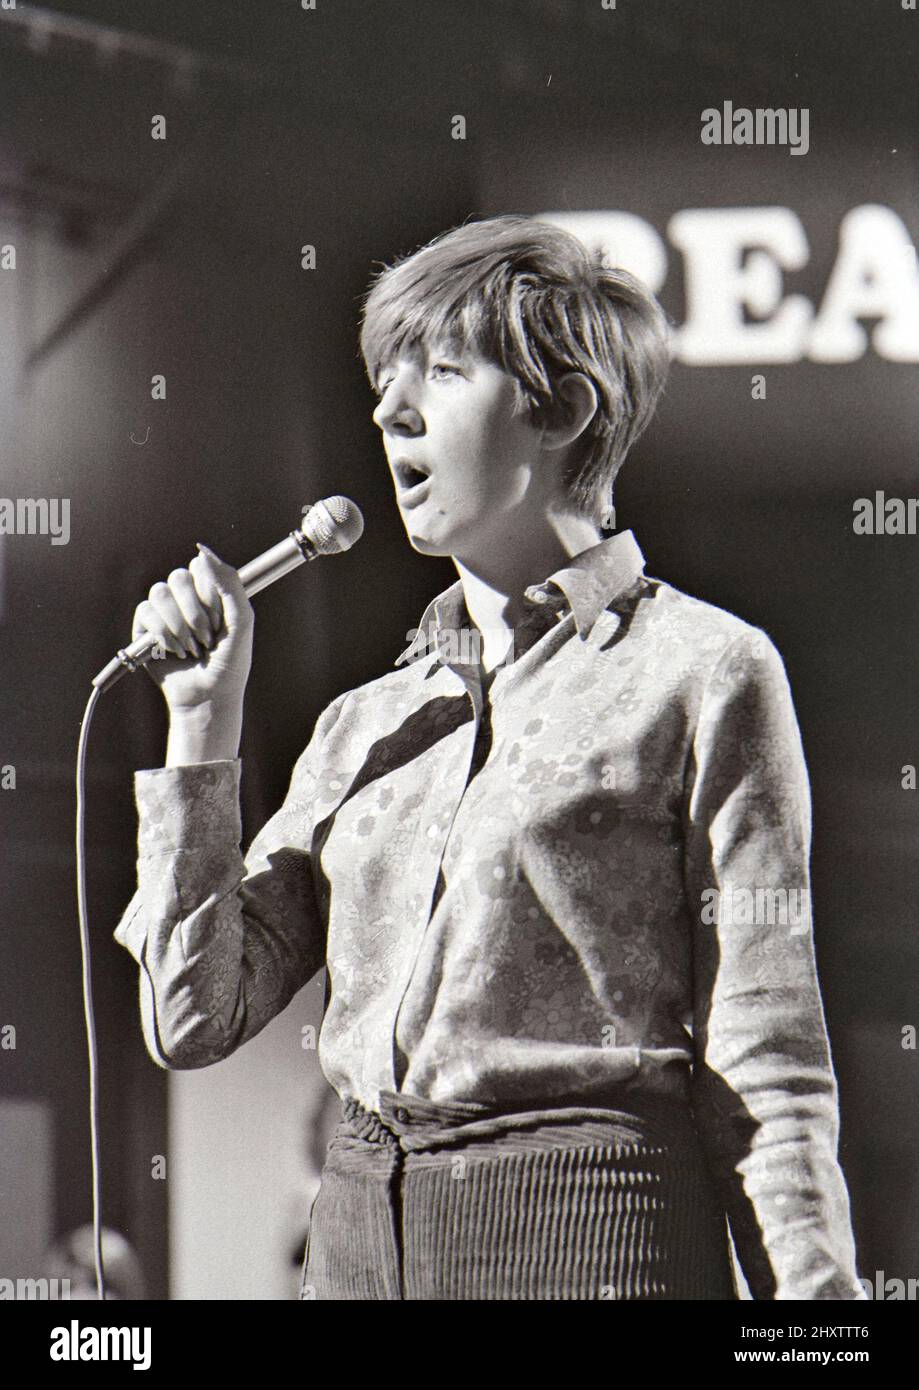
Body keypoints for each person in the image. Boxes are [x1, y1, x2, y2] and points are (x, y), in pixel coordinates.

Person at [114, 214, 865, 1301]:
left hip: (591, 1240)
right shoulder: (363, 724)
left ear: (563, 408)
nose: (388, 409)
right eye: (383, 380)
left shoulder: (704, 670)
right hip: (360, 1248)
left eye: (442, 371)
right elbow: (191, 1016)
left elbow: (766, 1050)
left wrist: (818, 1316)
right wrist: (201, 722)